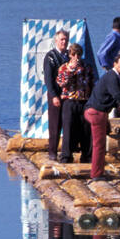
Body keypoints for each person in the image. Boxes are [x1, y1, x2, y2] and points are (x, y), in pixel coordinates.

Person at [84, 52, 120, 179]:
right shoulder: (112, 78)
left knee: (103, 135)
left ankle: (99, 167)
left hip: (94, 111)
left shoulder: (112, 76)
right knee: (99, 145)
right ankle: (96, 175)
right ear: (115, 64)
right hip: (97, 113)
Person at [57, 42, 93, 164]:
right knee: (68, 129)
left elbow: (92, 83)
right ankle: (66, 156)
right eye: (74, 54)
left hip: (84, 101)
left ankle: (87, 156)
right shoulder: (63, 68)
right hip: (69, 101)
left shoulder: (87, 67)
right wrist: (71, 70)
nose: (76, 57)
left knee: (86, 129)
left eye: (78, 54)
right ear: (70, 55)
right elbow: (62, 84)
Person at [43, 29, 69, 162]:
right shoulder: (50, 57)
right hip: (56, 95)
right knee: (55, 124)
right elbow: (48, 79)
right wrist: (54, 96)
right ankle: (52, 152)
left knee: (68, 123)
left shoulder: (70, 56)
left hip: (68, 96)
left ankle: (66, 152)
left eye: (66, 39)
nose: (64, 42)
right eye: (61, 39)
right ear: (56, 41)